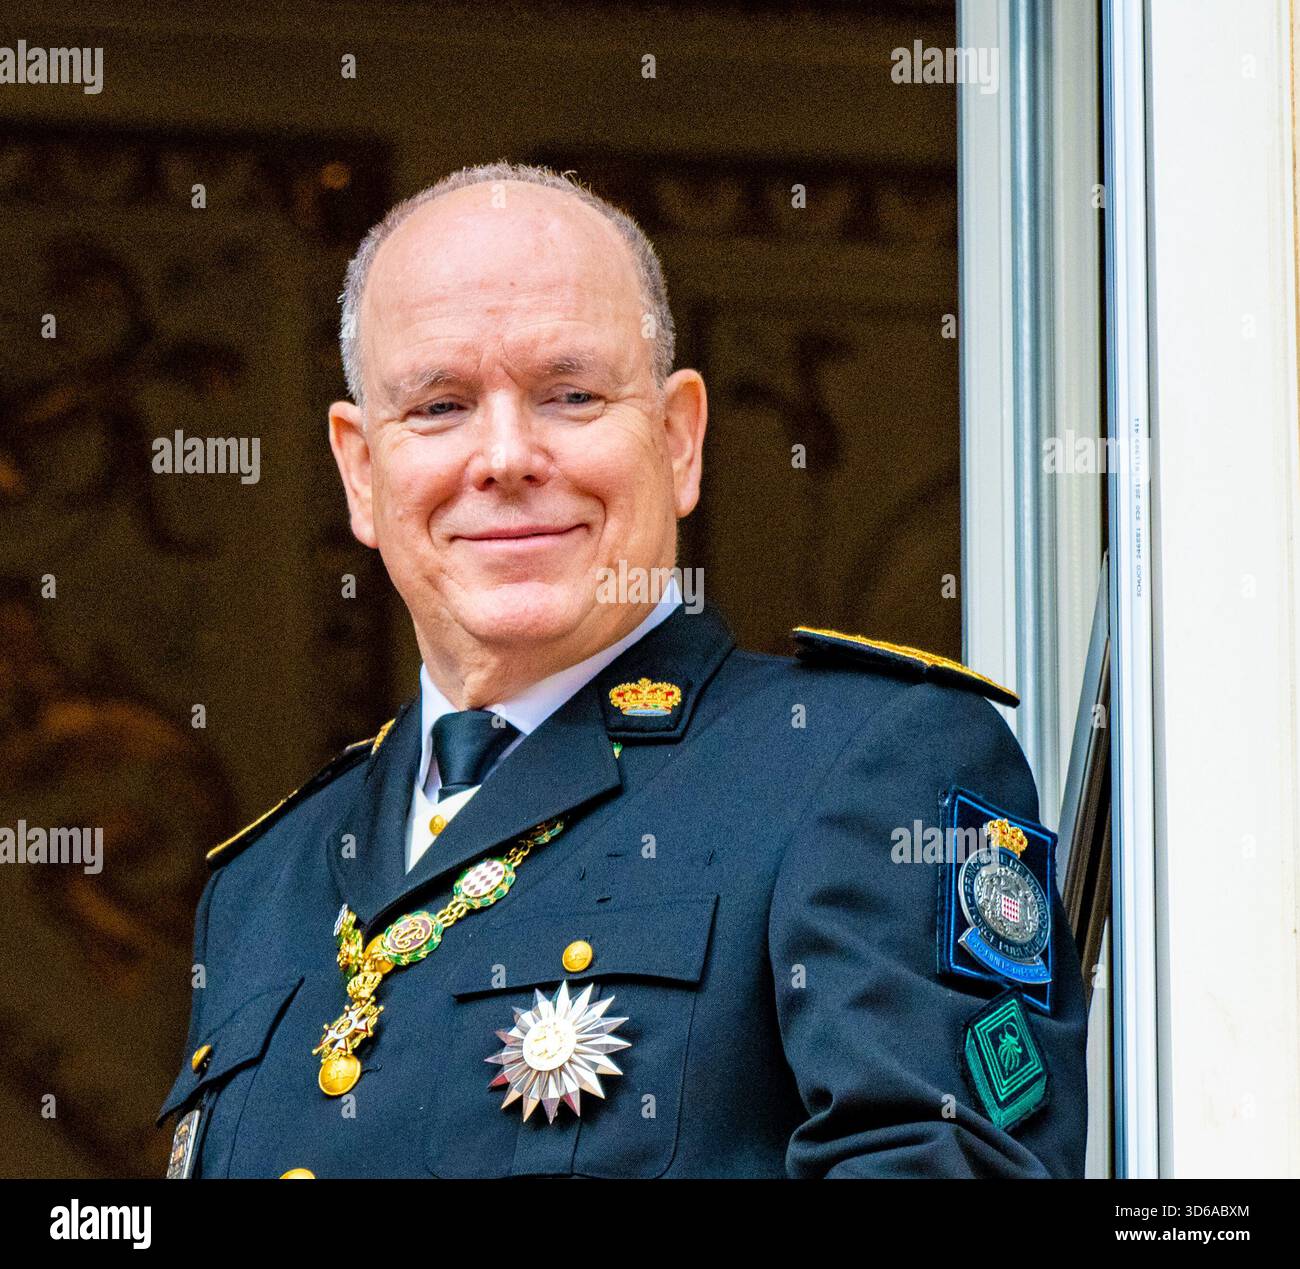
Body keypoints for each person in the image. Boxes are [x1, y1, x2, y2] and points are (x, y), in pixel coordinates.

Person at [158, 162, 1087, 1180]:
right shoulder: (259, 884)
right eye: (438, 407)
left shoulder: (867, 763)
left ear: (678, 439)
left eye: (570, 394)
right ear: (361, 472)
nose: (505, 456)